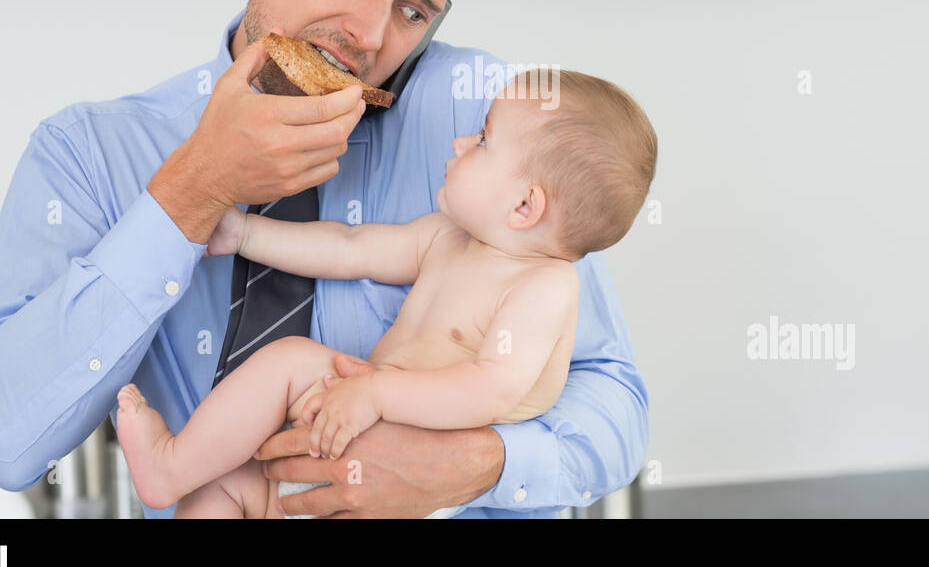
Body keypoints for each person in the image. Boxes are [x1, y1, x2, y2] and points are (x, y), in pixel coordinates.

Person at [0, 0, 649, 518]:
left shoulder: (488, 124)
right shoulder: (88, 156)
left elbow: (613, 398)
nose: (372, 35)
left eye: (414, 9)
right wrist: (192, 192)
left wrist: (475, 463)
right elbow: (4, 442)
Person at [114, 70, 658, 518]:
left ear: (524, 206)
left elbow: (491, 388)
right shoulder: (447, 238)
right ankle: (173, 471)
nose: (461, 142)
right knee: (223, 484)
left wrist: (377, 396)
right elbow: (351, 247)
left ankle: (173, 463)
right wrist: (249, 235)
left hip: (402, 487)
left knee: (290, 369)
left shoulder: (543, 287)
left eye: (484, 140)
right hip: (344, 432)